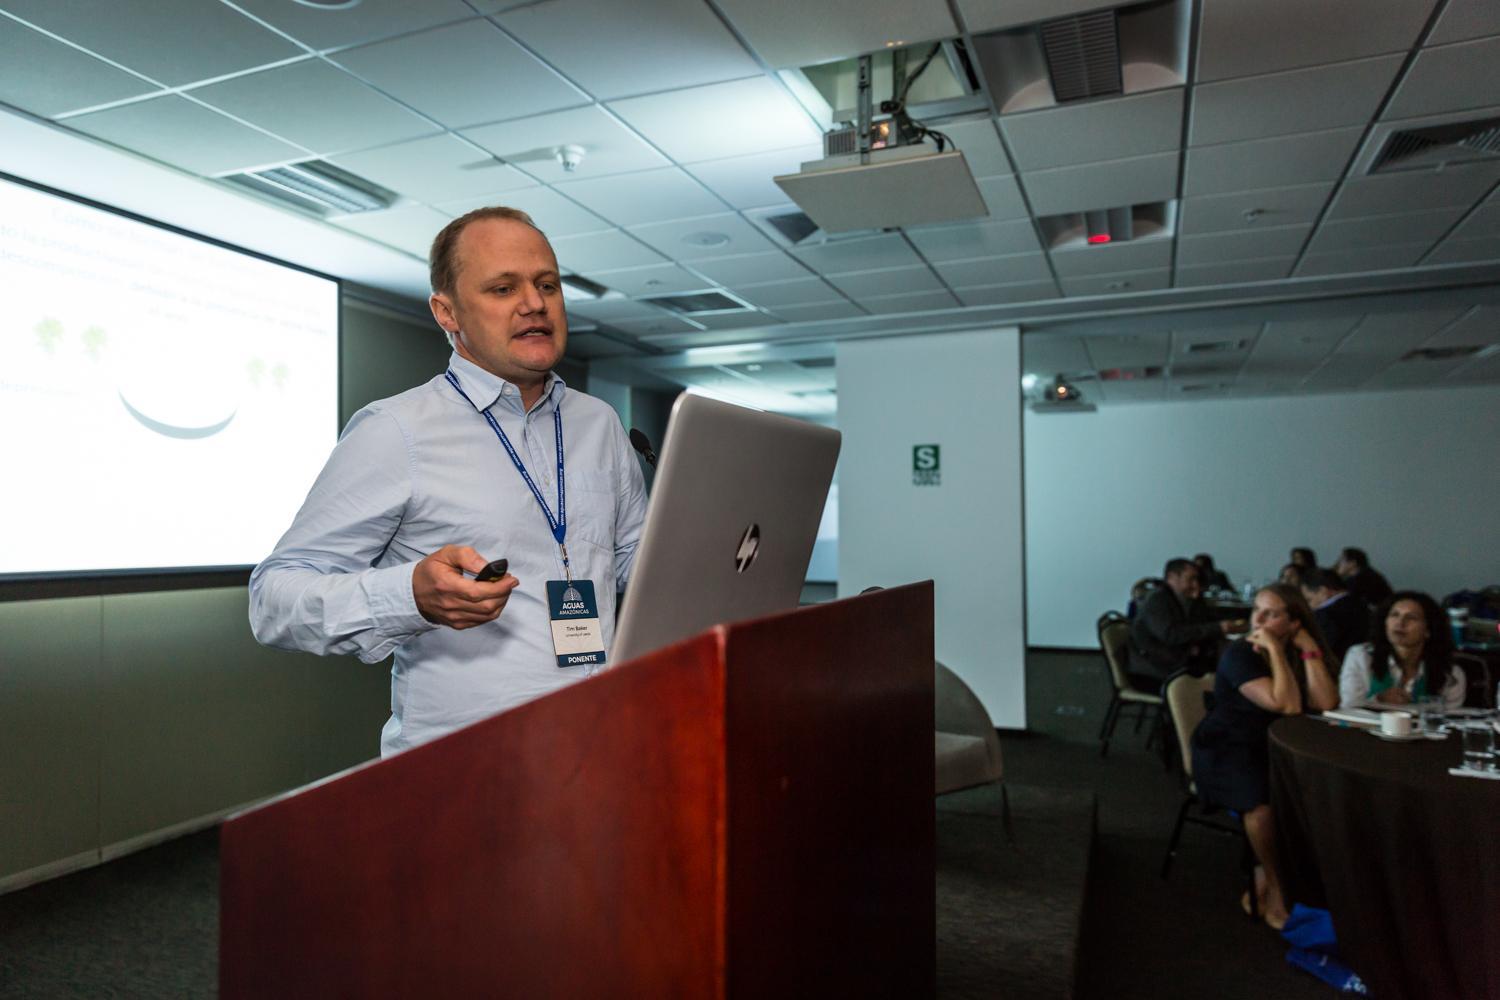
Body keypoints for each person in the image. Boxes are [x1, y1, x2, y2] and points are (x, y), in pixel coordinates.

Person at [249, 207, 648, 756]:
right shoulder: (395, 430)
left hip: (600, 743)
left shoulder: (598, 423)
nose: (534, 302)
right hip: (464, 772)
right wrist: (407, 595)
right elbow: (273, 600)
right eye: (503, 288)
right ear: (447, 312)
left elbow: (628, 563)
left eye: (547, 284)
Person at [1191, 584, 1339, 929]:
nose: (1256, 618)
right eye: (1256, 609)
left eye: (1270, 613)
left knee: (1316, 793)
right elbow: (1286, 705)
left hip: (1276, 746)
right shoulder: (1240, 653)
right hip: (1228, 747)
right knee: (1262, 806)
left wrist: (1309, 648)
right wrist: (1273, 647)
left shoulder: (1295, 649)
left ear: (1294, 622)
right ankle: (1275, 884)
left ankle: (1276, 872)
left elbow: (1325, 703)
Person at [1339, 591, 1465, 711]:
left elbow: (1451, 721)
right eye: (1394, 615)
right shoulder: (1361, 656)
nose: (1400, 622)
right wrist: (1379, 699)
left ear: (1428, 630)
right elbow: (1348, 707)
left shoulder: (1451, 673)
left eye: (1411, 617)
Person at [1130, 558, 1243, 682]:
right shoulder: (1157, 600)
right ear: (1172, 578)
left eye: (1197, 579)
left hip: (1179, 659)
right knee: (1228, 669)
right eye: (1191, 579)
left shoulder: (1186, 599)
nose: (1196, 584)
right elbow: (1171, 635)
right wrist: (1217, 628)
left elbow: (1204, 622)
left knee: (1232, 656)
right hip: (1155, 668)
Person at [1299, 567, 1369, 665]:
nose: (1310, 607)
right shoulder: (1363, 604)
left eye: (1309, 600)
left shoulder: (1324, 615)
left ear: (1323, 591)